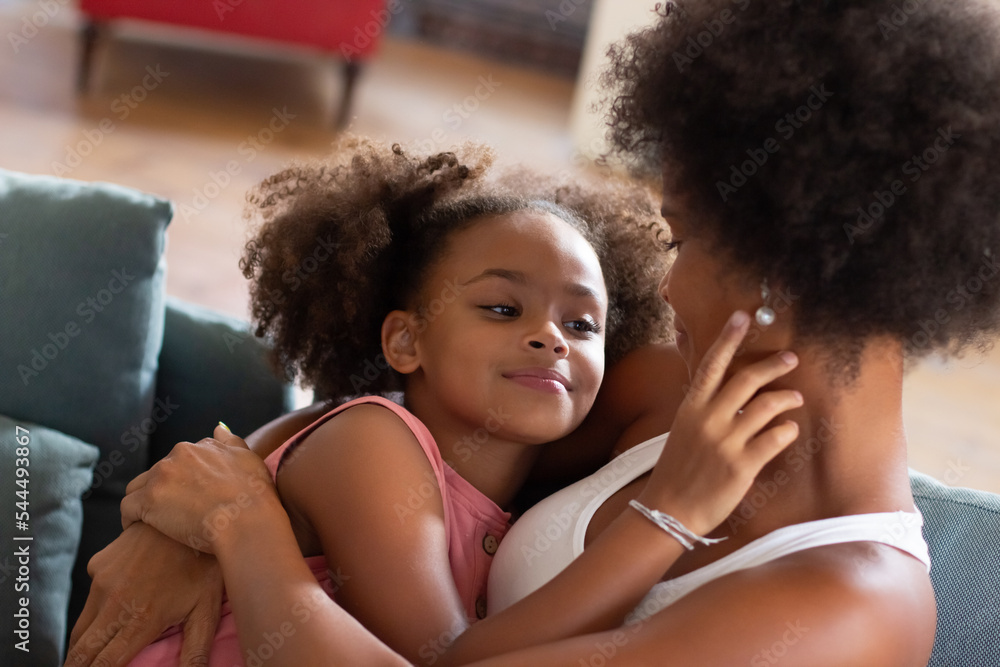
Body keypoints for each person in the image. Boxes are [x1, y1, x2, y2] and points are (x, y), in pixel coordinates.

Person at [73, 0, 1000, 663]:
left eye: (679, 235)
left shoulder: (847, 613)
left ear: (778, 257)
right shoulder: (673, 390)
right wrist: (199, 505)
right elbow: (401, 414)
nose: (667, 282)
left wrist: (243, 530)